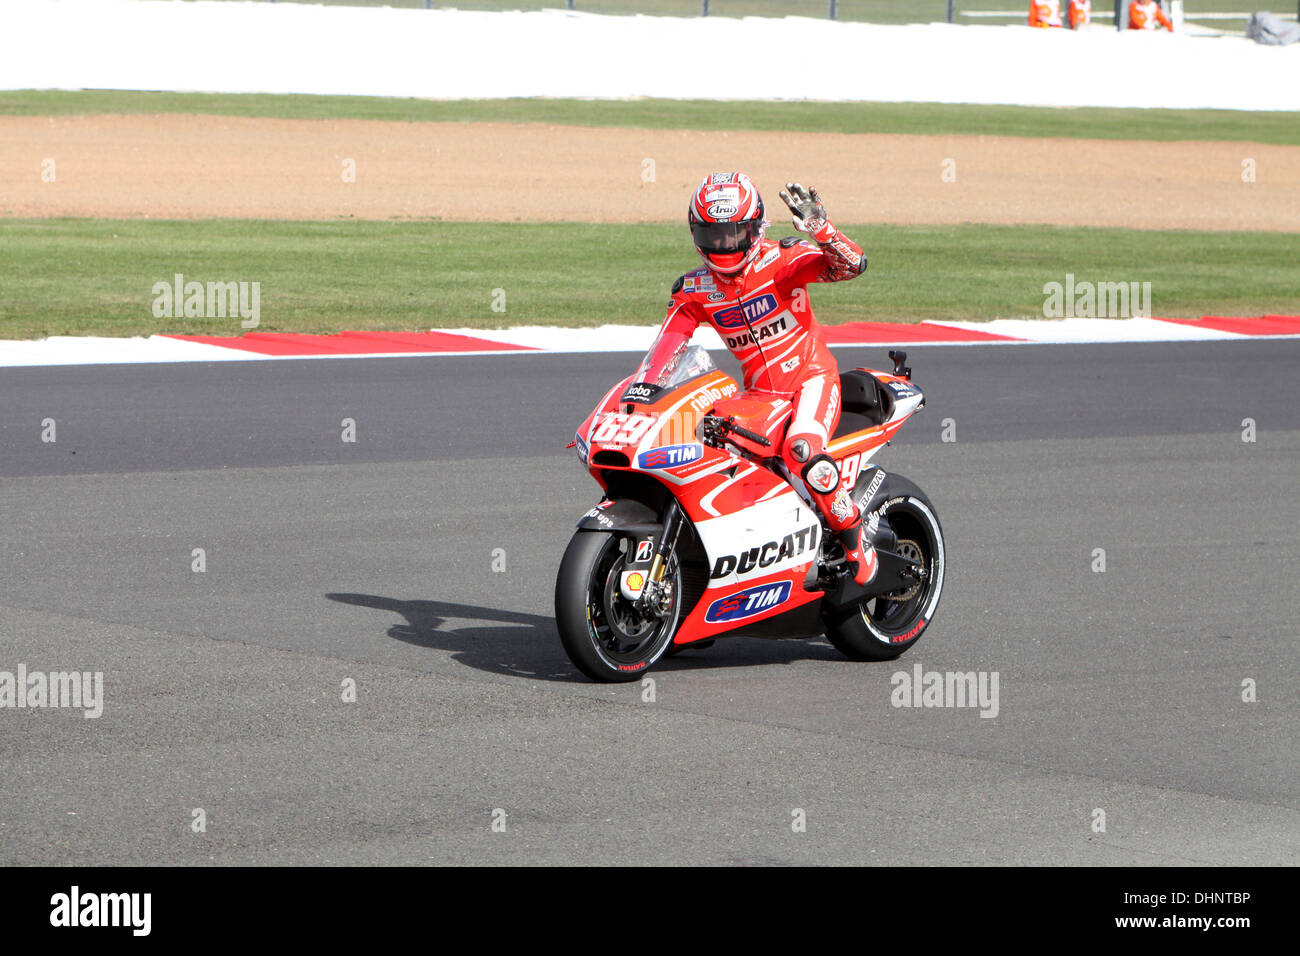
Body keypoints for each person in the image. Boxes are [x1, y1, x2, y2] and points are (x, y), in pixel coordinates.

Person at [638, 172, 878, 586]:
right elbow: (664, 351)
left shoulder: (781, 260)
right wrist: (643, 393)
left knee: (802, 449)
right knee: (703, 449)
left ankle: (857, 543)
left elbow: (851, 266)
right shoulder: (694, 288)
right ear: (697, 232)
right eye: (715, 235)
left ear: (757, 228)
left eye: (736, 233)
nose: (726, 245)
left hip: (811, 381)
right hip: (758, 396)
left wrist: (822, 230)